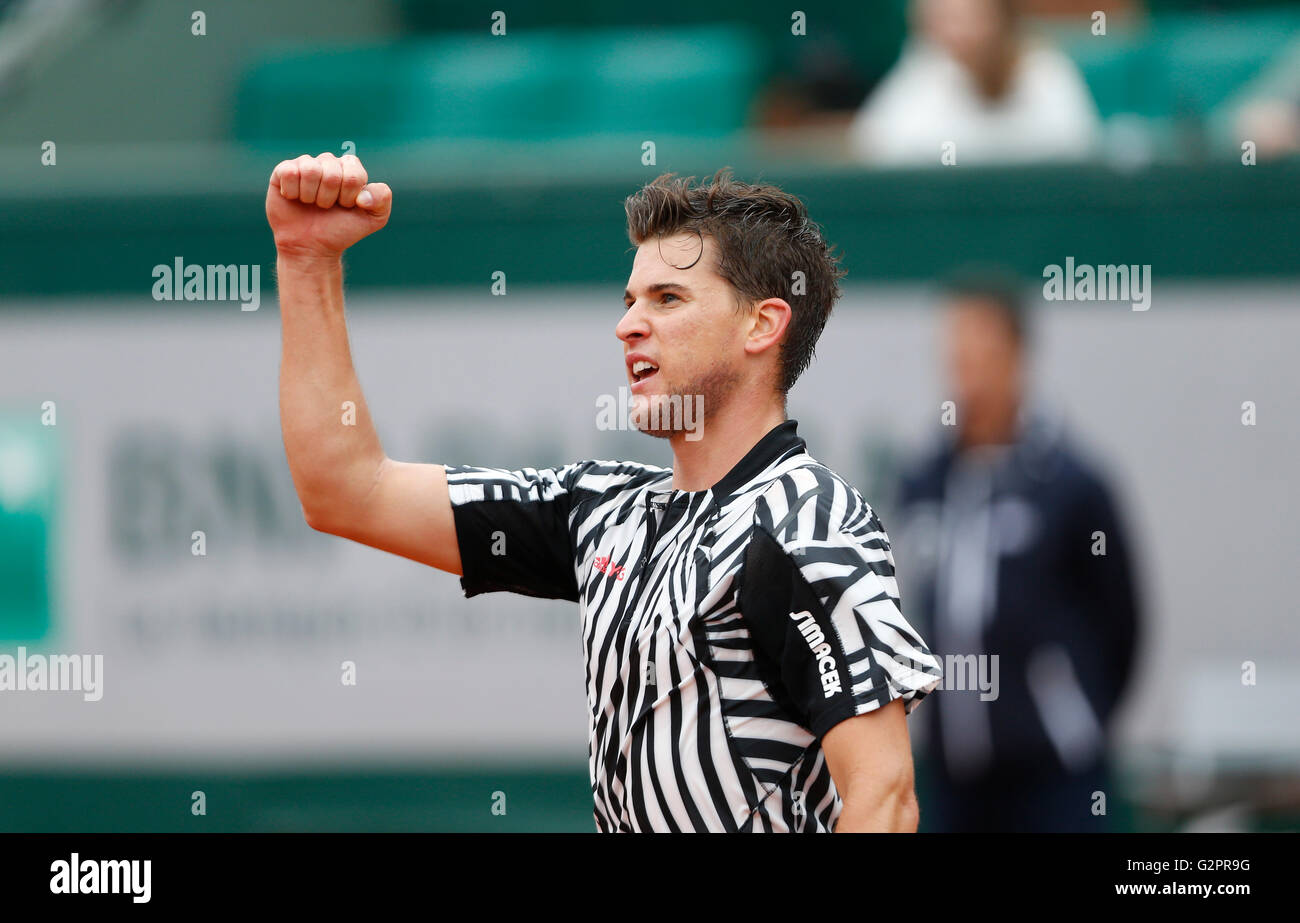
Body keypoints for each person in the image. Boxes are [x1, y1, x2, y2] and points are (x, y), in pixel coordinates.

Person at [265, 153, 943, 832]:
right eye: (628, 302)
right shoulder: (602, 512)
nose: (628, 325)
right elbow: (346, 489)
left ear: (761, 325)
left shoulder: (801, 522)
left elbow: (883, 793)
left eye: (667, 298)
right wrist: (305, 260)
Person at [894, 269, 1141, 831]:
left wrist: (1068, 703)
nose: (967, 369)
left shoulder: (1072, 484)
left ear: (1017, 355)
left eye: (981, 350)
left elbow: (1122, 621)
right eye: (956, 352)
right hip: (955, 774)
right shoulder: (925, 480)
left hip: (1056, 776)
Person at [849, 0, 1100, 165]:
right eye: (942, 20)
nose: (956, 33)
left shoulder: (1048, 73)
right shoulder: (924, 72)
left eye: (968, 18)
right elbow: (876, 146)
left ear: (1003, 18)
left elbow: (1079, 153)